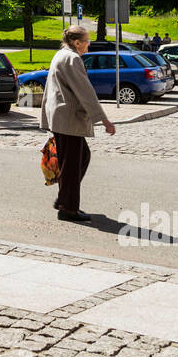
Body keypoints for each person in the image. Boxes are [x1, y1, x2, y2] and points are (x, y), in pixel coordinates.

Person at [40, 25, 115, 221]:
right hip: (68, 118)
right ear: (77, 43)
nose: (89, 43)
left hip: (61, 117)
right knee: (73, 164)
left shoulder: (61, 55)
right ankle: (68, 209)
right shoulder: (72, 58)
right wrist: (104, 119)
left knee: (80, 158)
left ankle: (64, 199)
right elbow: (85, 92)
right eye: (87, 40)